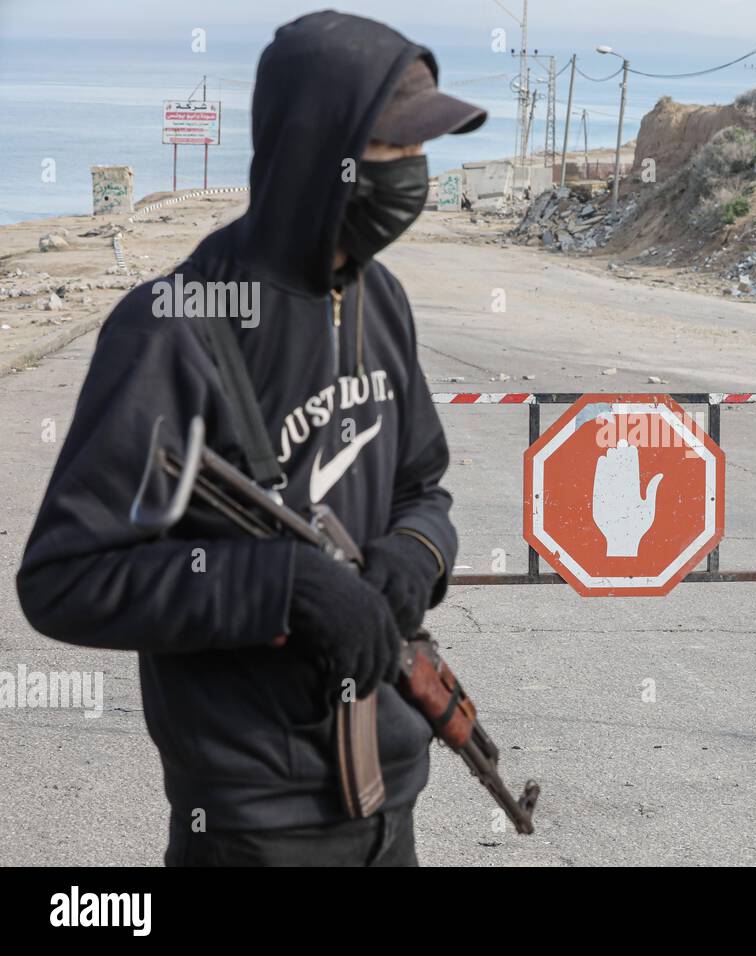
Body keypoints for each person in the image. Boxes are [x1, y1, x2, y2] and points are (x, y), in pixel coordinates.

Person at [17, 11, 486, 866]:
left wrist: (417, 557)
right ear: (323, 150)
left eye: (423, 153)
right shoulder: (175, 326)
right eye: (396, 151)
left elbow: (425, 486)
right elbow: (66, 578)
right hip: (253, 823)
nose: (416, 175)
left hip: (391, 797)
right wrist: (283, 591)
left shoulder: (381, 301)